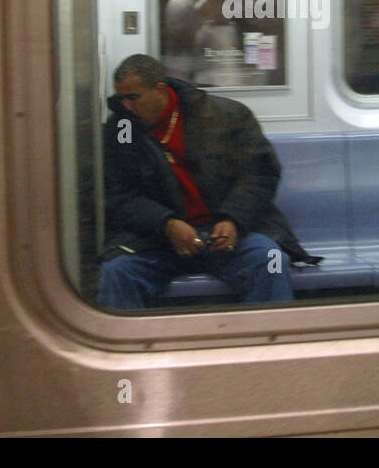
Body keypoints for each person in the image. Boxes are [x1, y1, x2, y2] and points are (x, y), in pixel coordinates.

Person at [98, 54, 320, 309]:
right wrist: (166, 224)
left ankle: (271, 343)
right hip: (158, 240)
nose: (126, 106)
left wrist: (233, 220)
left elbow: (259, 174)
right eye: (120, 99)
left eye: (133, 97)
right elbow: (119, 195)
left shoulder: (223, 115)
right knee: (117, 272)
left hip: (224, 234)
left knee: (270, 260)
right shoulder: (123, 129)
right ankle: (126, 347)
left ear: (160, 90)